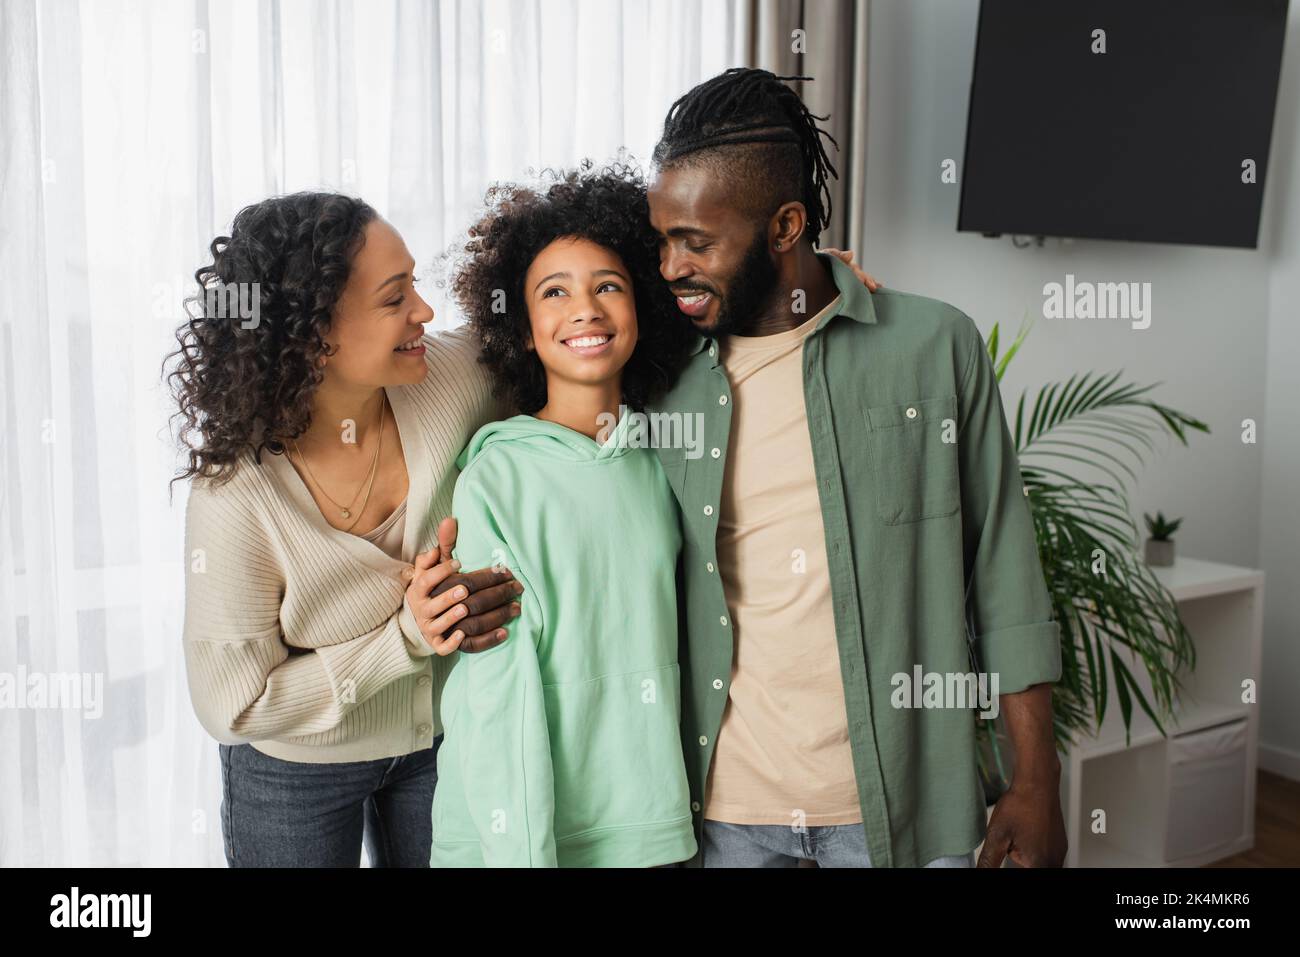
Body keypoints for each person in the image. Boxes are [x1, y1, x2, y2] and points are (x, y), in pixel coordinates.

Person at [644, 68, 1066, 868]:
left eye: (695, 242)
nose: (669, 266)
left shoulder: (935, 347)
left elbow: (1007, 572)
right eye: (661, 240)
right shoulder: (659, 375)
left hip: (906, 810)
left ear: (785, 226)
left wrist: (1036, 779)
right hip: (724, 816)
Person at [168, 191, 524, 867]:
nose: (425, 311)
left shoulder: (453, 379)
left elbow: (562, 358)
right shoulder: (235, 492)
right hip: (293, 769)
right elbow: (232, 706)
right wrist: (406, 638)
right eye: (395, 298)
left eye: (414, 285)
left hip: (443, 744)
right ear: (313, 335)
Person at [427, 162, 699, 867]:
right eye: (555, 292)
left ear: (644, 307)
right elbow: (495, 688)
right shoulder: (495, 479)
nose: (585, 308)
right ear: (523, 330)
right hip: (519, 838)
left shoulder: (669, 461)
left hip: (651, 829)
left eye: (608, 285)